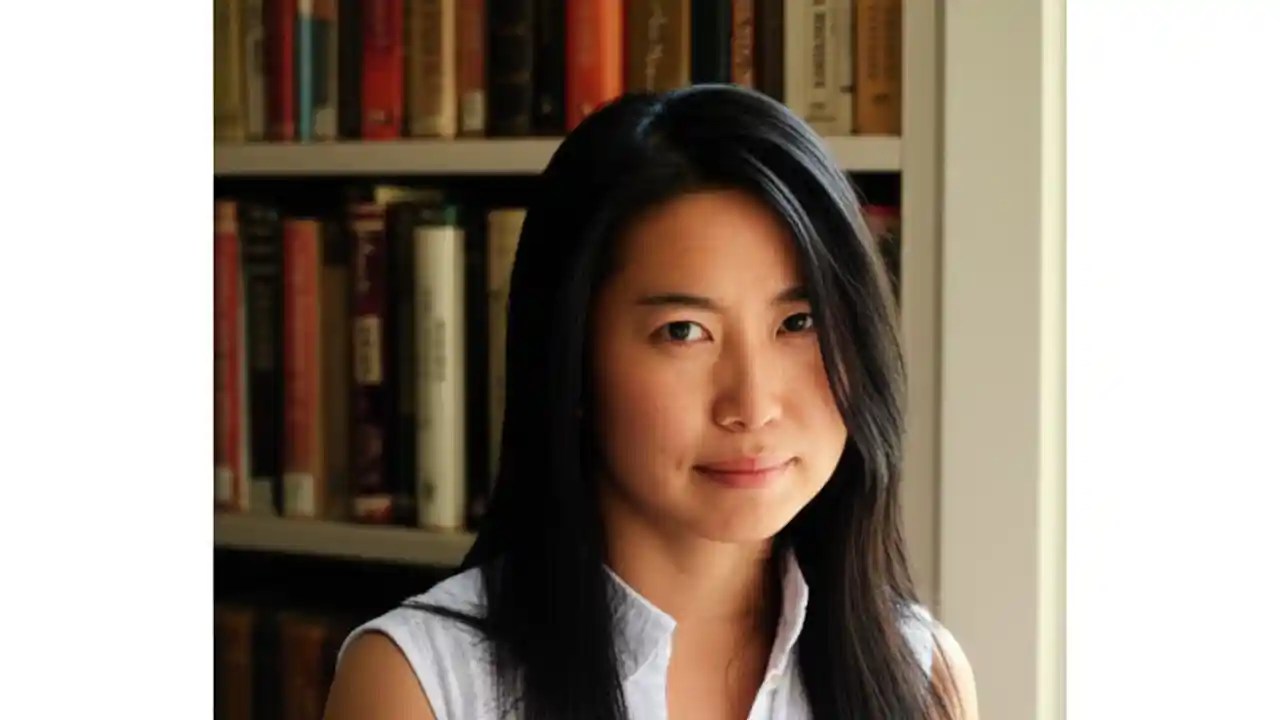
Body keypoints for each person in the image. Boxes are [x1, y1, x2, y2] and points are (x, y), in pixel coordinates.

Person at [323, 84, 979, 720]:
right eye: (684, 332)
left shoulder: (918, 677)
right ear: (573, 358)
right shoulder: (421, 685)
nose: (751, 405)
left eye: (799, 323)